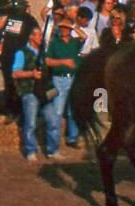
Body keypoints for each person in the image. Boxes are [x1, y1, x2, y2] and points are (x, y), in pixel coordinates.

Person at [41, 14, 85, 157]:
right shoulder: (55, 43)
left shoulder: (75, 42)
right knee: (57, 113)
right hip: (59, 80)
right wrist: (63, 62)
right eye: (62, 27)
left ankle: (72, 138)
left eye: (66, 27)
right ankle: (52, 147)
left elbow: (84, 36)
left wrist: (73, 26)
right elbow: (47, 61)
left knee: (73, 111)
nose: (63, 30)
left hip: (74, 79)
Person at [10, 25, 46, 160]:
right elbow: (15, 73)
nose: (41, 38)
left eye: (42, 35)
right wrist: (32, 73)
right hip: (29, 90)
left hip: (44, 91)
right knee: (30, 122)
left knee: (53, 118)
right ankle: (31, 150)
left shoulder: (44, 52)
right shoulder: (21, 53)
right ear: (31, 37)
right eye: (39, 35)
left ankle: (53, 149)